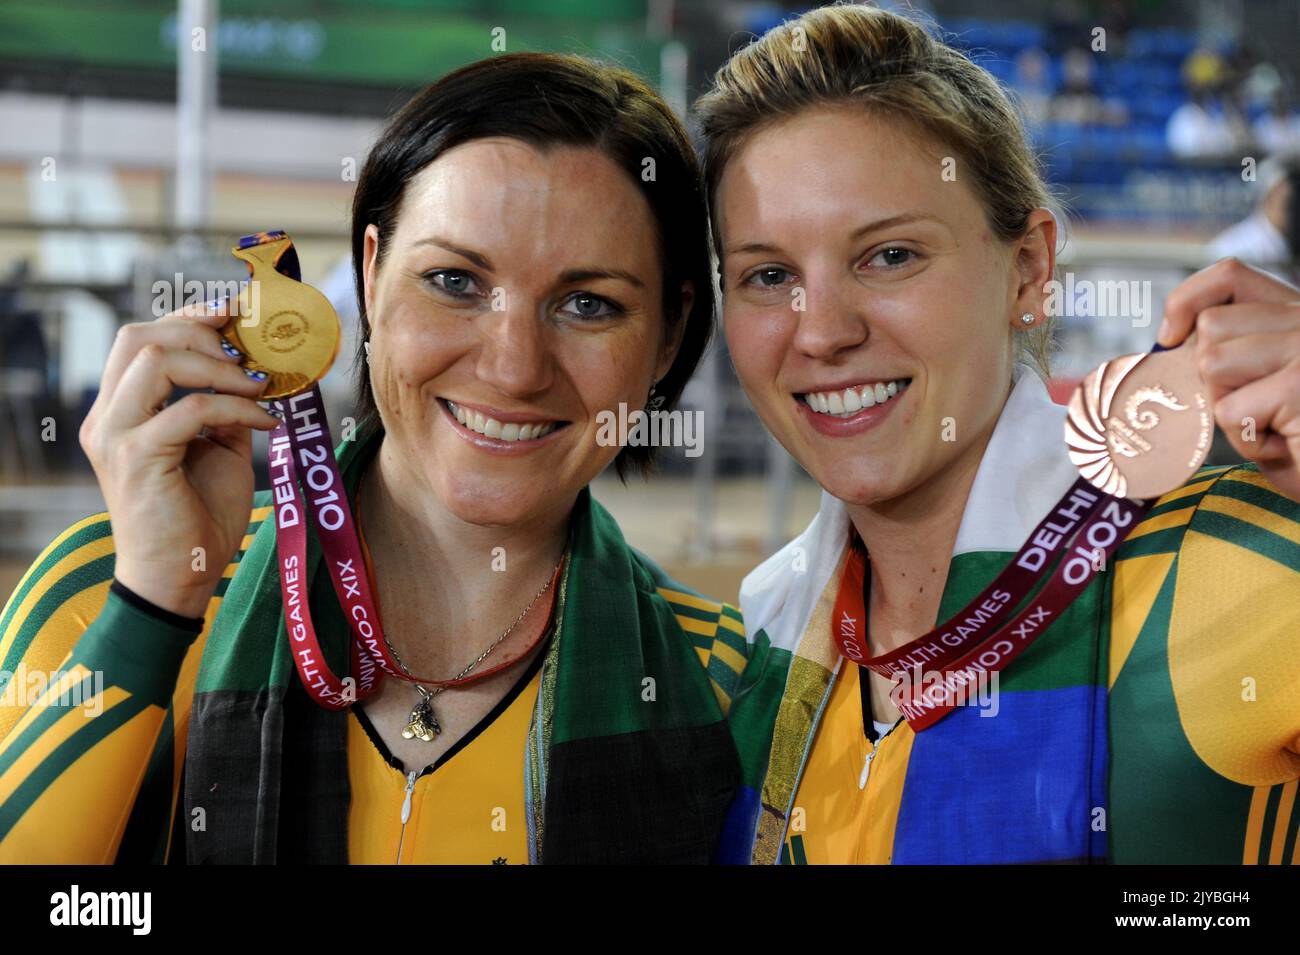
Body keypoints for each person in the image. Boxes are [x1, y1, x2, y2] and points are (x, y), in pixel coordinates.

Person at [0, 53, 746, 864]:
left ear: (669, 336)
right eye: (455, 281)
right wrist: (153, 608)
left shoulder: (722, 677)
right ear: (369, 271)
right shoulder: (104, 589)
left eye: (587, 303)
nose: (514, 367)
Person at [694, 3, 1300, 864]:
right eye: (767, 274)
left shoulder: (1237, 564)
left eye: (889, 255)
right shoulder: (754, 642)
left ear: (1028, 270)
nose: (820, 330)